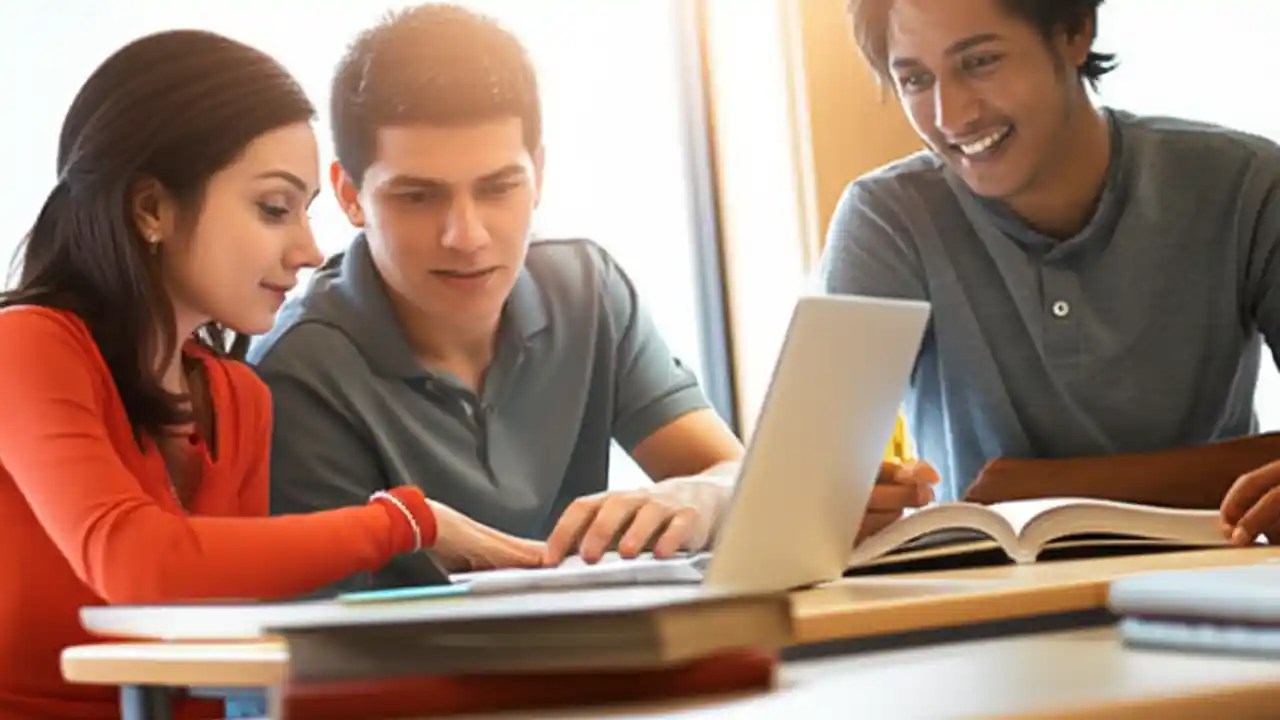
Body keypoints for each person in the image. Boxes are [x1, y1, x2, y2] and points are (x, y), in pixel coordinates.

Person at [248, 2, 938, 585]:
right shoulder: (299, 372)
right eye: (419, 196)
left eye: (498, 187)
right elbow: (338, 635)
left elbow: (732, 472)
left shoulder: (587, 289)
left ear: (538, 173)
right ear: (349, 195)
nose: (467, 235)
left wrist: (695, 497)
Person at [0, 29, 535, 720]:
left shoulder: (238, 398)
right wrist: (407, 521)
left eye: (306, 212)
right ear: (151, 209)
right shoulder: (27, 346)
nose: (309, 251)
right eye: (274, 209)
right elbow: (139, 566)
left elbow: (221, 658)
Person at [822, 0, 1280, 536]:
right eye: (917, 80)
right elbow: (809, 489)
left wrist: (1029, 490)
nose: (951, 117)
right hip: (980, 599)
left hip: (1212, 594)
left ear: (1075, 32)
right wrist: (845, 508)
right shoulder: (887, 218)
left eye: (980, 62)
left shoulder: (1244, 185)